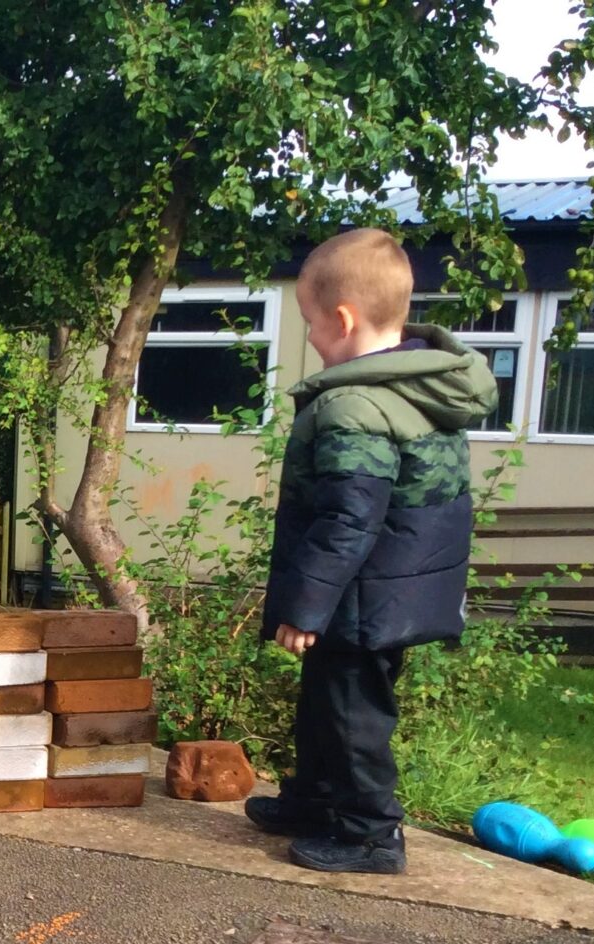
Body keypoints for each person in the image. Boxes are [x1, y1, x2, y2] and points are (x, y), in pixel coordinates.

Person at [247, 228, 498, 875]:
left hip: (360, 595)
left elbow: (348, 518)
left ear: (343, 318)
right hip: (388, 588)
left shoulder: (356, 404)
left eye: (309, 323)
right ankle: (319, 799)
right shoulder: (418, 389)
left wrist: (304, 605)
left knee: (354, 717)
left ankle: (370, 836)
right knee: (325, 704)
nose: (310, 338)